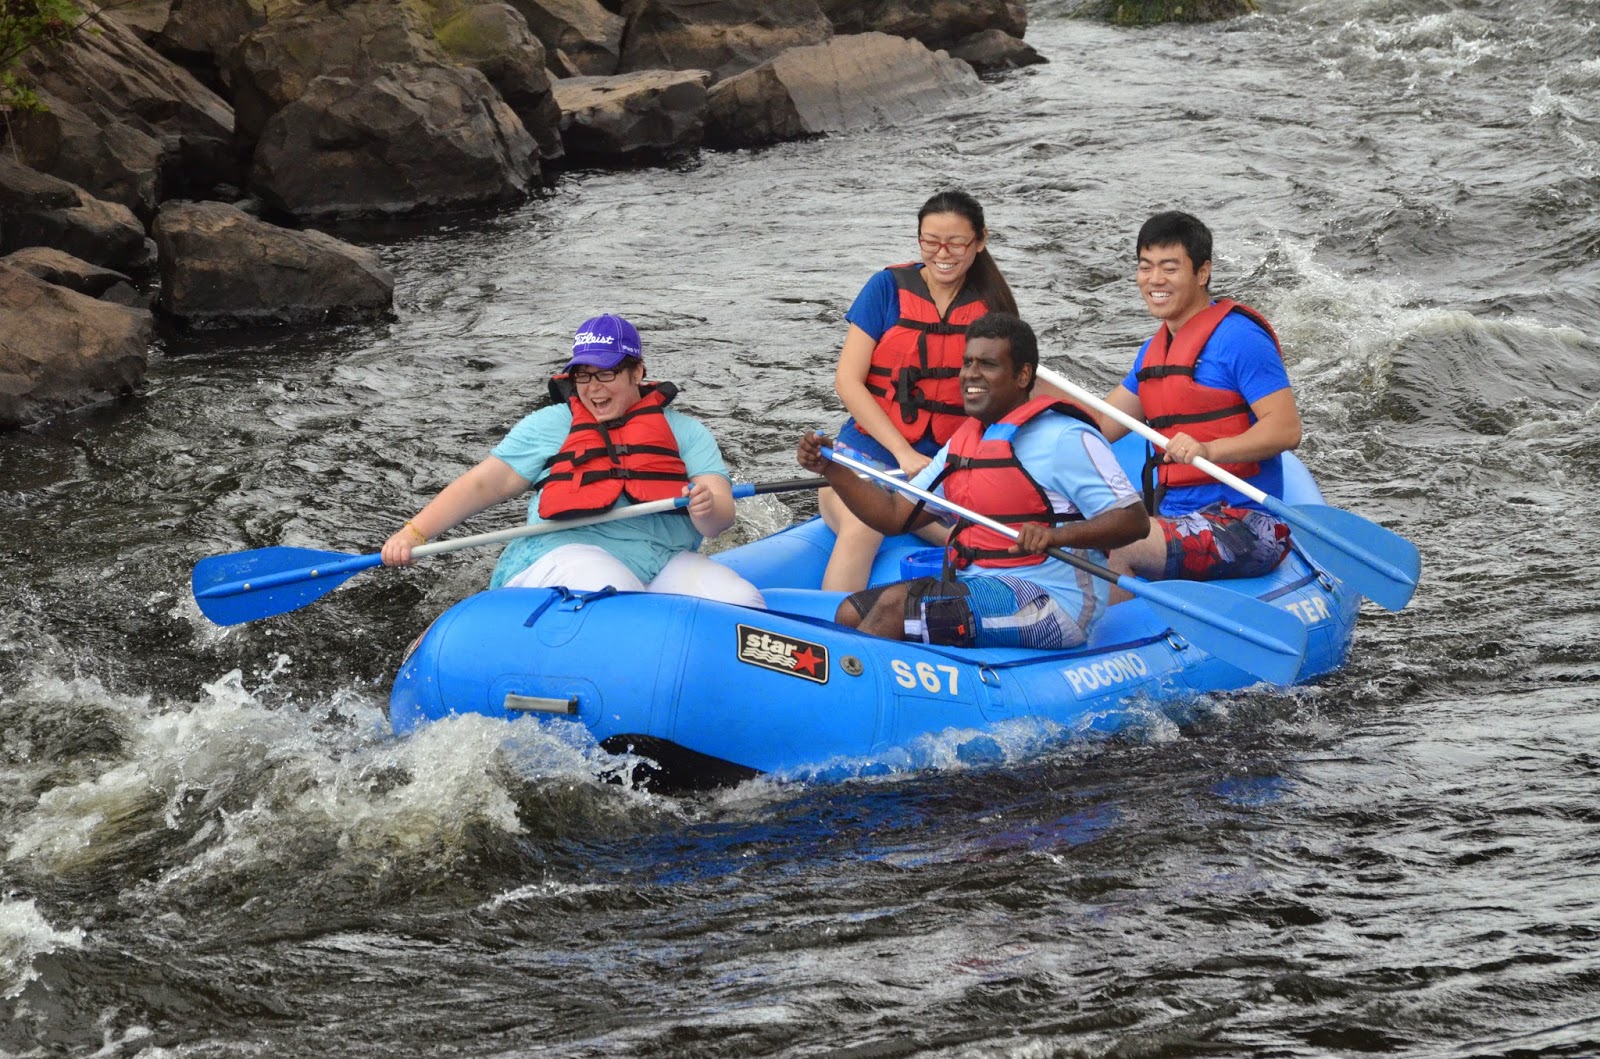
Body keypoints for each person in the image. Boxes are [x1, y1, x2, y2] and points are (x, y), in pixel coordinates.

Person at [798, 312, 1148, 650]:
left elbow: (1134, 520)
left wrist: (1056, 536)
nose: (971, 375)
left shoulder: (1066, 437)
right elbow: (893, 516)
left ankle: (856, 693)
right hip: (978, 584)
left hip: (1053, 603)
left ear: (1023, 375)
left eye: (988, 365)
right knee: (850, 611)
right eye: (967, 363)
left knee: (893, 610)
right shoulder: (964, 442)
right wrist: (834, 470)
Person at [382, 313, 764, 607]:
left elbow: (719, 520)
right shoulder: (549, 424)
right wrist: (413, 534)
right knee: (614, 593)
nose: (593, 388)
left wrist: (706, 506)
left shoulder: (687, 432)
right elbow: (484, 484)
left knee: (741, 600)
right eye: (583, 376)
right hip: (564, 554)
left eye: (607, 374)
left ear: (637, 372)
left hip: (660, 560)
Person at [819, 190, 1020, 594]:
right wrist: (903, 453)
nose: (942, 252)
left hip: (941, 472)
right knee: (864, 525)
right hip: (865, 459)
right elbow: (847, 381)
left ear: (980, 241)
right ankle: (831, 637)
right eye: (930, 241)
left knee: (986, 544)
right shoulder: (886, 288)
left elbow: (1008, 399)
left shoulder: (992, 308)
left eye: (956, 242)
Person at [1097, 211, 1301, 585]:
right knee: (1080, 535)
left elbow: (1286, 430)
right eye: (1146, 267)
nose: (1155, 280)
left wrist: (1209, 451)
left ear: (1202, 272)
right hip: (1174, 517)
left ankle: (1116, 636)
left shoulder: (1239, 338)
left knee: (1120, 545)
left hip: (1246, 525)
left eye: (1170, 268)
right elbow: (1101, 424)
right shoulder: (1152, 353)